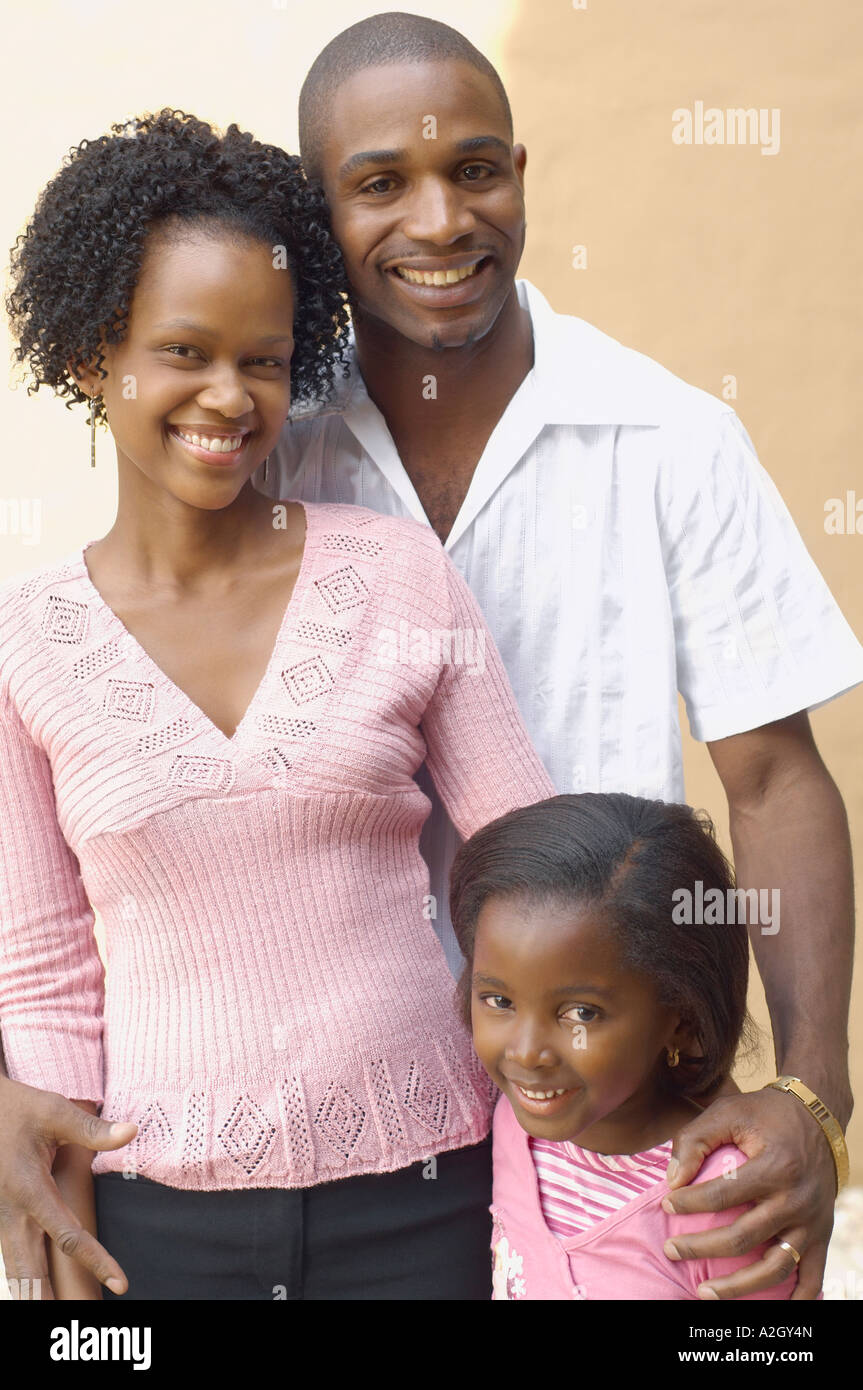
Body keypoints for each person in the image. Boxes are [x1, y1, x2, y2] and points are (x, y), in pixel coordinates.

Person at [1, 13, 859, 1302]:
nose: (441, 221)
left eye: (474, 169)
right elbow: (50, 933)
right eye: (380, 183)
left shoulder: (663, 442)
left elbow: (760, 783)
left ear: (521, 170)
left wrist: (802, 1085)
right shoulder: (251, 461)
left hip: (520, 1139)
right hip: (183, 1197)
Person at [0, 108, 556, 1300]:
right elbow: (44, 967)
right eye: (186, 350)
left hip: (432, 1200)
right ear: (99, 358)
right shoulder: (24, 644)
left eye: (262, 358)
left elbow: (528, 857)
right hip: (154, 1225)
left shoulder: (394, 572)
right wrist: (68, 1237)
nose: (230, 395)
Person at [449, 792, 799, 1300]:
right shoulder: (512, 1121)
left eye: (581, 1013)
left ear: (680, 1018)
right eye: (499, 1000)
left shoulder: (718, 1193)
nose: (526, 1053)